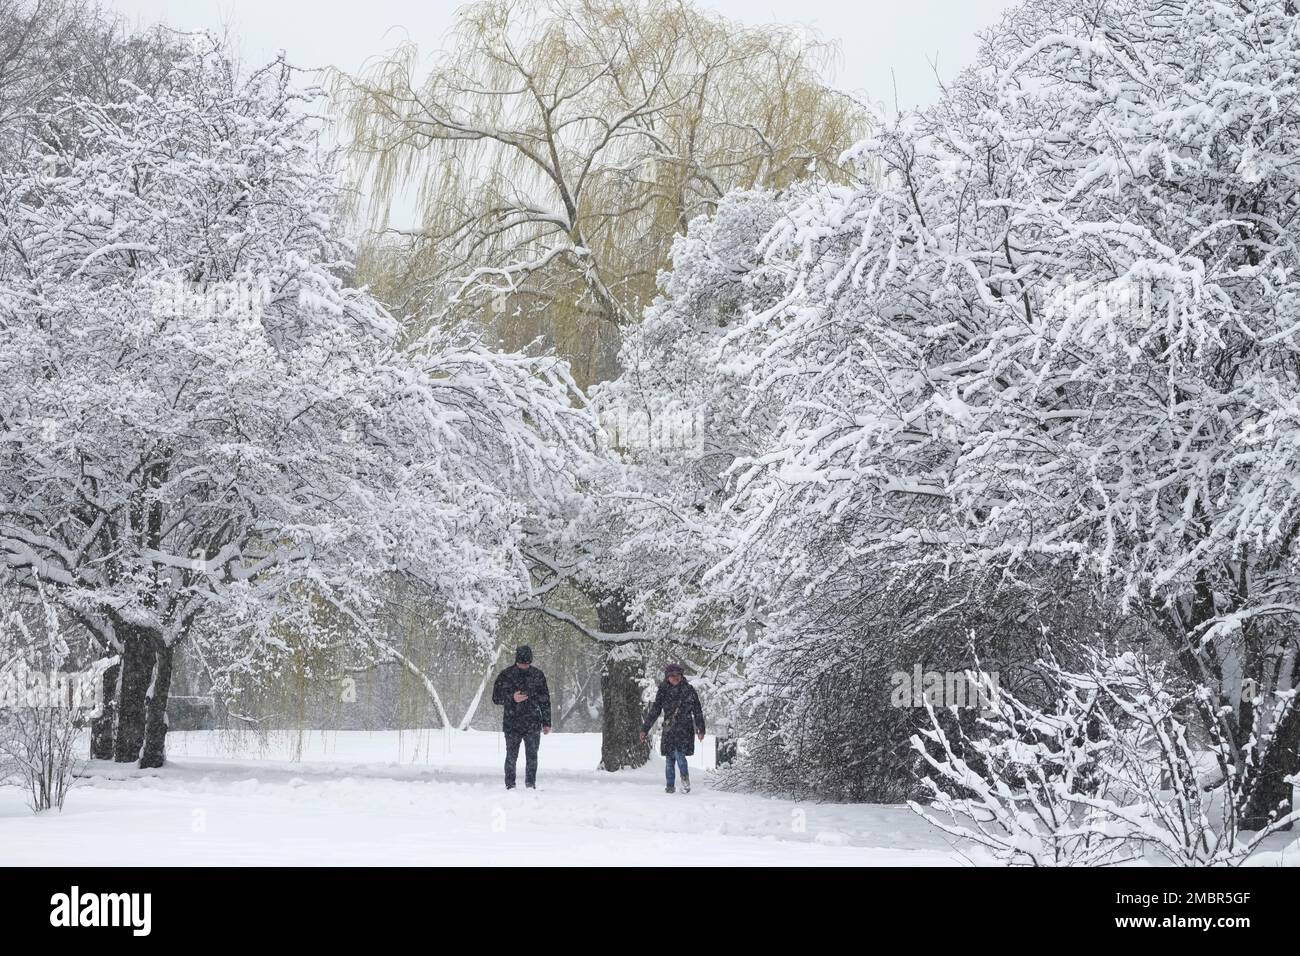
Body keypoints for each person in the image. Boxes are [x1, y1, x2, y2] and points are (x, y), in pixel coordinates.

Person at [491, 645, 552, 789]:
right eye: (522, 664)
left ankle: (530, 784)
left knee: (532, 756)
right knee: (511, 756)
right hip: (512, 723)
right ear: (516, 661)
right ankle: (510, 785)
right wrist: (512, 698)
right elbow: (495, 698)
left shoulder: (538, 675)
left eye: (527, 664)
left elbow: (545, 700)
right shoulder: (506, 675)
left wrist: (547, 722)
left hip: (533, 723)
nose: (525, 666)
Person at [640, 663, 706, 793]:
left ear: (681, 676)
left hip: (685, 729)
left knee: (680, 755)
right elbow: (655, 711)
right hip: (669, 730)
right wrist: (645, 729)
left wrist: (701, 728)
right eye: (672, 675)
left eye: (677, 675)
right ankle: (670, 786)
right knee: (669, 758)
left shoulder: (689, 690)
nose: (675, 678)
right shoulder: (663, 690)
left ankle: (685, 782)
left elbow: (697, 711)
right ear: (667, 677)